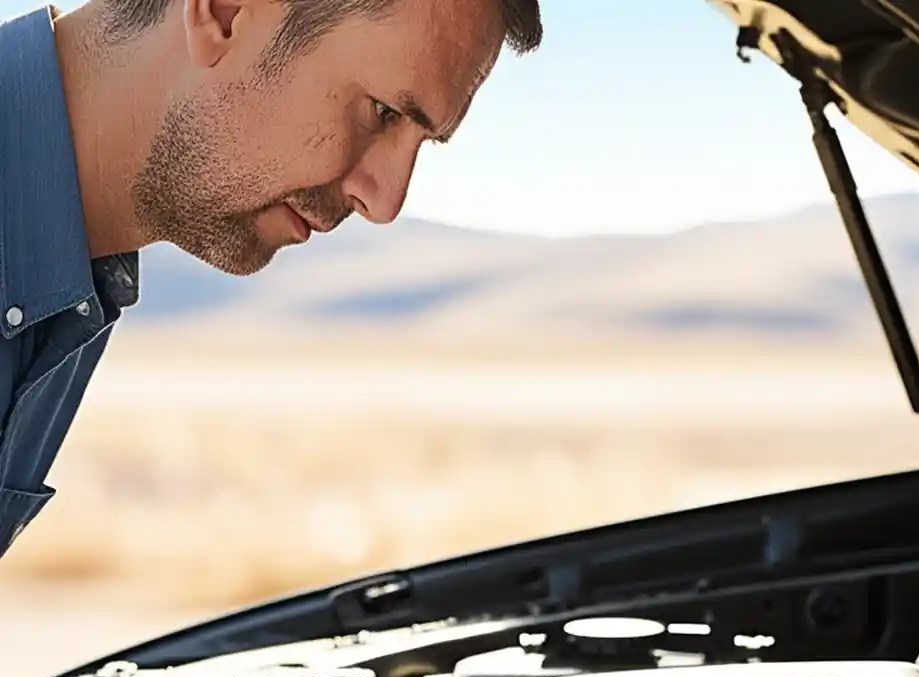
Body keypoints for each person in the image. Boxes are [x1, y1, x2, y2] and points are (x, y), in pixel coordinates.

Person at [0, 0, 542, 556]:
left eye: (421, 144)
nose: (385, 201)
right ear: (224, 13)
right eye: (382, 113)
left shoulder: (71, 275)